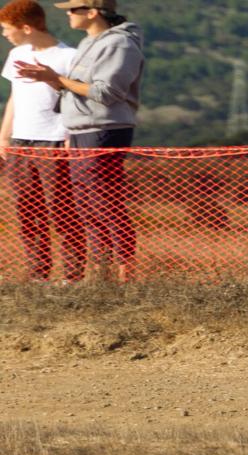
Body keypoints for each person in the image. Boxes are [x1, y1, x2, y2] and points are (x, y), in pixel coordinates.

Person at [17, 0, 140, 283]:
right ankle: (100, 274)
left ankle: (124, 274)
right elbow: (78, 89)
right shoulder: (88, 43)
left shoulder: (120, 44)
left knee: (103, 201)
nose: (68, 14)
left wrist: (56, 77)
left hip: (105, 129)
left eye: (73, 9)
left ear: (93, 12)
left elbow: (106, 93)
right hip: (82, 129)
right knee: (85, 204)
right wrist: (50, 80)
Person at [1, 0, 82, 282]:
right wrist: (3, 136)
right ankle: (38, 274)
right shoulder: (16, 54)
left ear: (26, 27)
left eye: (7, 29)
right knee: (28, 211)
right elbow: (15, 97)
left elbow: (75, 99)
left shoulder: (68, 57)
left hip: (54, 141)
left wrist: (70, 136)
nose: (4, 34)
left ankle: (72, 276)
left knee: (62, 209)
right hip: (20, 143)